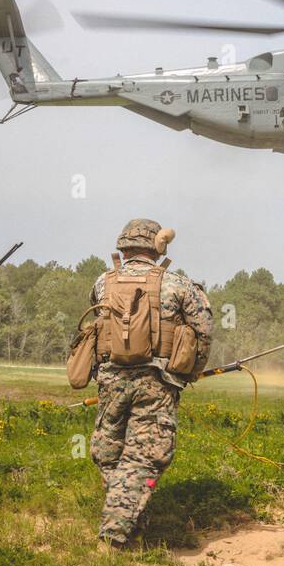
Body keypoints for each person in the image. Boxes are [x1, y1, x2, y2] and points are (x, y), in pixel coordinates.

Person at [88, 219, 213, 548]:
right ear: (157, 248)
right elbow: (203, 330)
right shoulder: (178, 285)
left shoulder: (103, 281)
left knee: (109, 452)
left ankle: (130, 521)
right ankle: (114, 538)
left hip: (110, 380)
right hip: (156, 382)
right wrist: (191, 371)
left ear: (123, 247)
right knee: (145, 458)